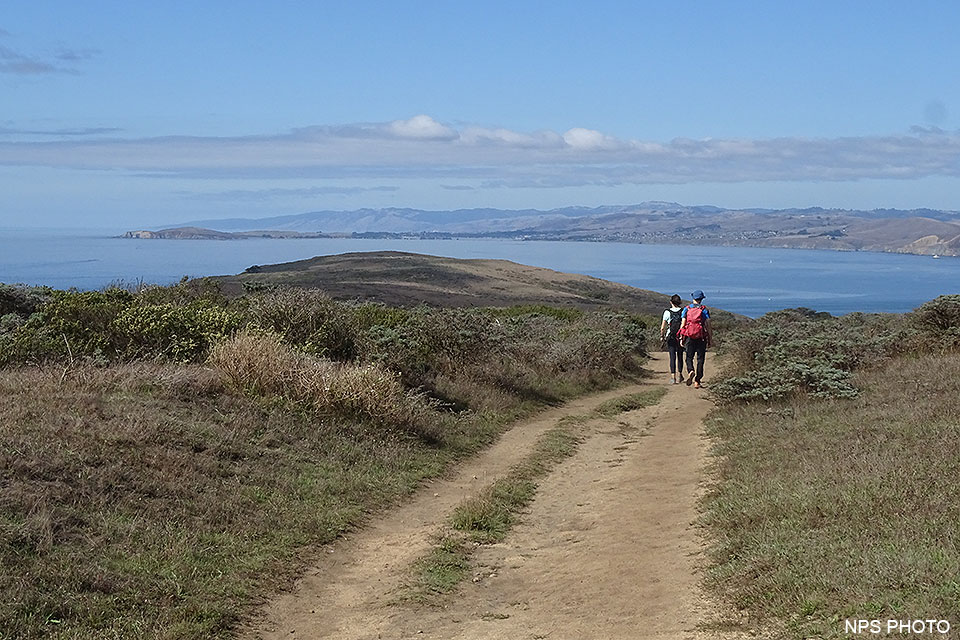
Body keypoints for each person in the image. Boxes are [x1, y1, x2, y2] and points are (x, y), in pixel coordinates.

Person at [678, 290, 713, 389]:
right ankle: (697, 381)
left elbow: (683, 325)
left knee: (689, 357)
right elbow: (708, 325)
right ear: (701, 299)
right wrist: (710, 339)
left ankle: (690, 370)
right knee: (700, 359)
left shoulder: (687, 309)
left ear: (693, 298)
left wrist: (681, 337)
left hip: (689, 336)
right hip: (701, 337)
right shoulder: (704, 310)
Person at [659, 294, 685, 383]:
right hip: (680, 336)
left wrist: (662, 336)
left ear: (671, 302)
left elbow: (662, 327)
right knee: (680, 356)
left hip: (670, 336)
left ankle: (673, 377)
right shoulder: (683, 311)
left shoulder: (667, 312)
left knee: (672, 356)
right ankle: (680, 375)